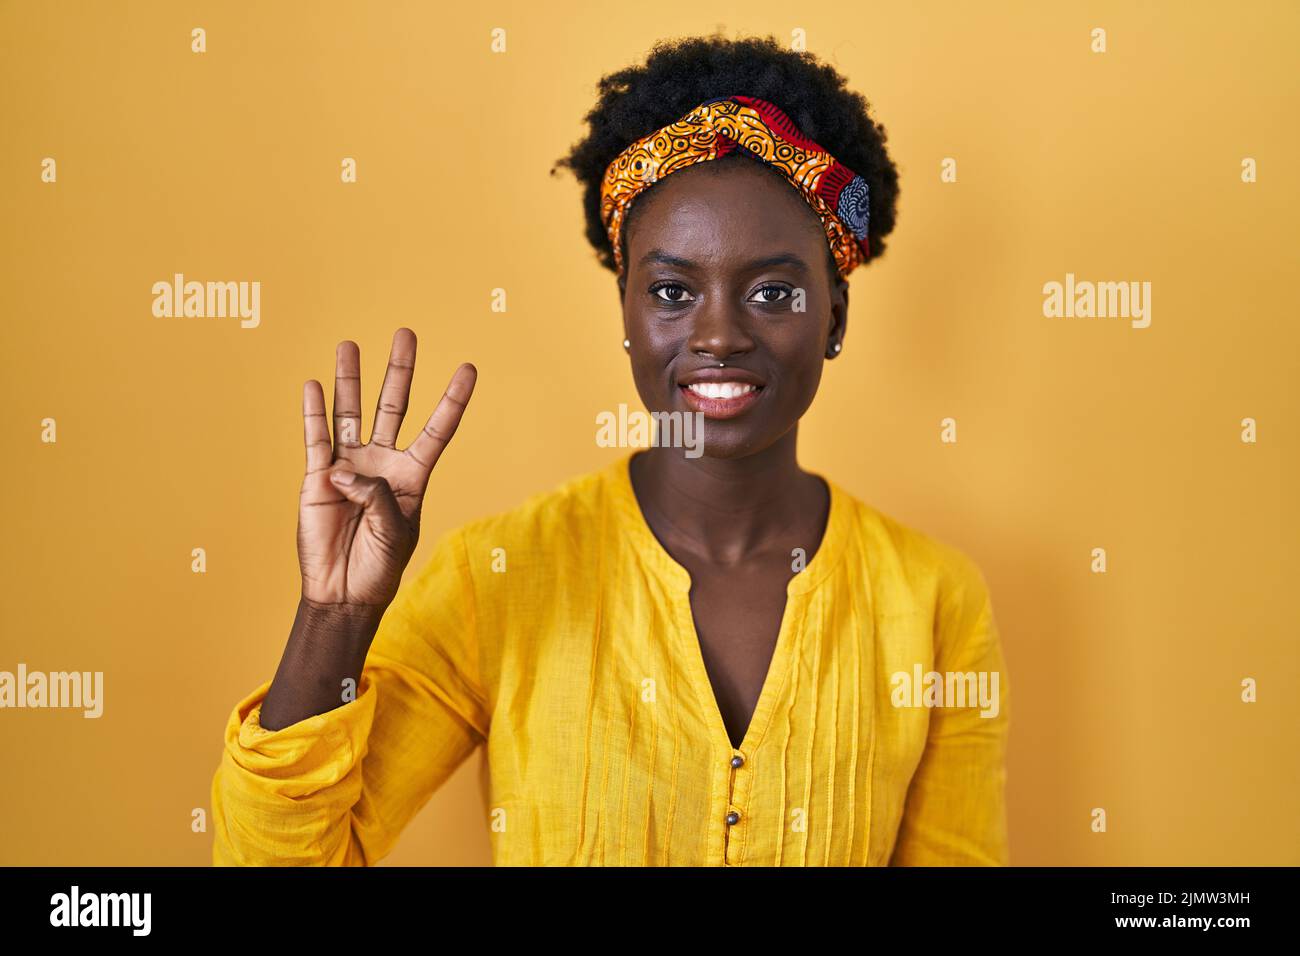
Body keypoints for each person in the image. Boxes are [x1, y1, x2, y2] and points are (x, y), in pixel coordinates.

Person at [210, 34, 1010, 866]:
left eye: (773, 291)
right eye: (672, 291)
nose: (719, 335)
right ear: (625, 314)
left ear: (834, 317)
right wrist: (334, 618)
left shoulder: (934, 604)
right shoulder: (500, 577)